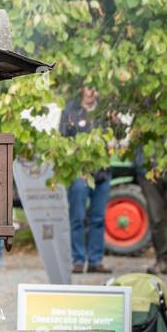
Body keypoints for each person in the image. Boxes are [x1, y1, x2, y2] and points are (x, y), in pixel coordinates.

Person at [59, 86, 112, 274]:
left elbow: (115, 139)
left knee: (98, 219)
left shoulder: (105, 112)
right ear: (81, 89)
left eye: (95, 89)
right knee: (78, 219)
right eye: (89, 88)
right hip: (79, 175)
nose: (92, 92)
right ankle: (78, 260)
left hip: (102, 175)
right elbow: (62, 142)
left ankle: (96, 261)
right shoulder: (70, 111)